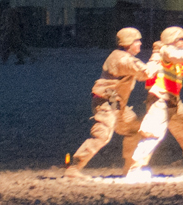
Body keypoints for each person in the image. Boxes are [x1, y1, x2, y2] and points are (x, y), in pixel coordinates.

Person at [62, 27, 151, 179]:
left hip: (116, 102)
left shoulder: (125, 57)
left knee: (133, 130)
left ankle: (130, 167)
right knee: (103, 134)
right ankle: (74, 166)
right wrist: (159, 57)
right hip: (107, 100)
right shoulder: (122, 58)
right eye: (137, 41)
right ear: (128, 43)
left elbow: (142, 76)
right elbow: (145, 72)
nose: (140, 44)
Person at [135, 17, 183, 179]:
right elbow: (180, 56)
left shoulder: (179, 58)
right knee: (153, 133)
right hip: (159, 100)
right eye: (180, 39)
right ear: (171, 41)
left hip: (174, 101)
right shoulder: (165, 52)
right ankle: (136, 168)